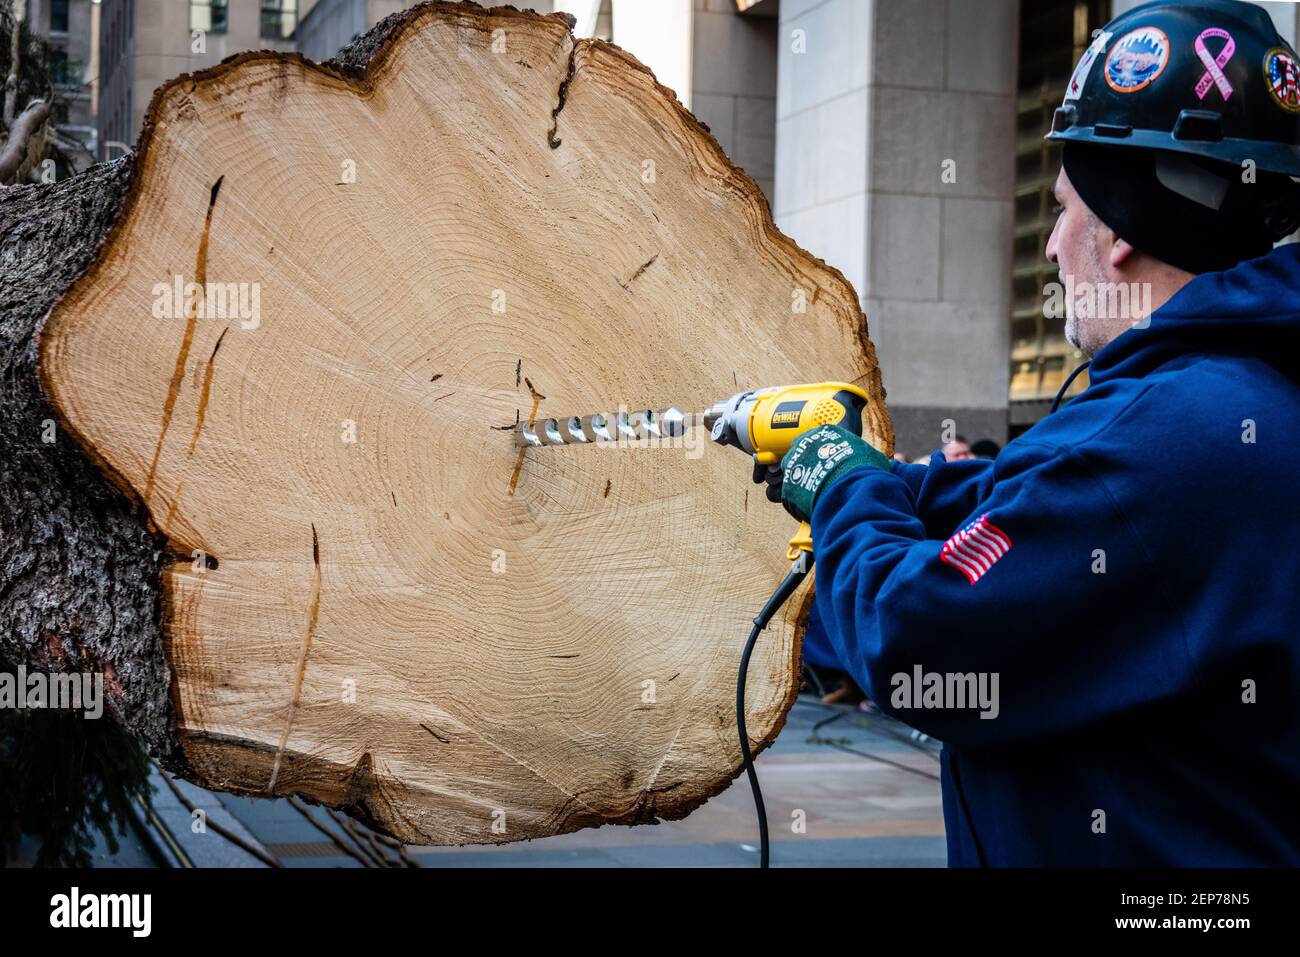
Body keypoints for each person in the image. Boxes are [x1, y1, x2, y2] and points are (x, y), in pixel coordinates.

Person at [762, 0, 1300, 865]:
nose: (1050, 245)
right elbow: (1034, 495)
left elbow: (919, 640)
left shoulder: (1167, 438)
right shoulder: (1235, 401)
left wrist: (843, 487)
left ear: (1122, 225)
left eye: (1063, 207)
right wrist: (887, 480)